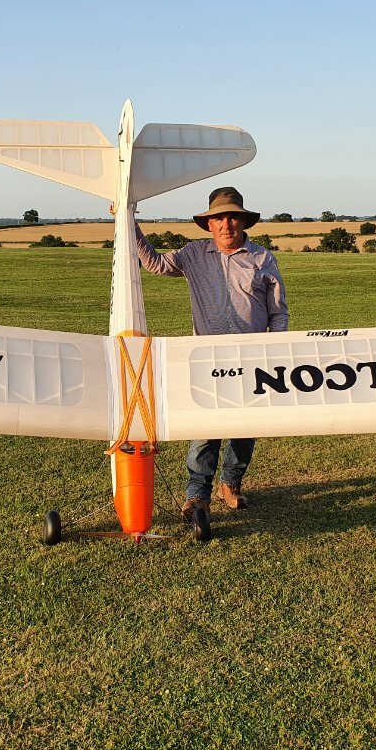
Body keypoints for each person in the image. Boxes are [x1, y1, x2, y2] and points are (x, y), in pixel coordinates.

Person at [133, 186, 289, 523]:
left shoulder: (263, 258)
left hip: (252, 359)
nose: (226, 224)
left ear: (243, 221)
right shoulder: (192, 254)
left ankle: (230, 483)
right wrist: (128, 224)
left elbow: (278, 312)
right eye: (219, 217)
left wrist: (274, 349)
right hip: (206, 358)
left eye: (233, 217)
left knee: (245, 428)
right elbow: (156, 264)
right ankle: (196, 496)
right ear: (209, 224)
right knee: (205, 428)